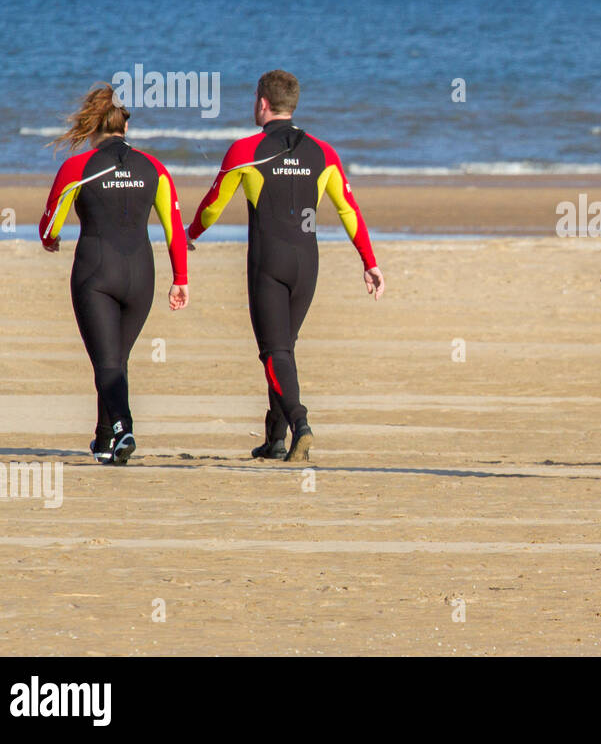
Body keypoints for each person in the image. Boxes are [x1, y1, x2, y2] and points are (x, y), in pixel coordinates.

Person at [186, 70, 384, 462]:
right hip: (307, 265)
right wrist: (370, 261)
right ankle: (274, 439)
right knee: (284, 351)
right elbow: (348, 209)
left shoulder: (244, 151)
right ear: (293, 104)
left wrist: (190, 233)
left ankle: (300, 423)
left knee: (274, 351)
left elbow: (212, 206)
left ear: (262, 103)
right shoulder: (324, 153)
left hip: (269, 263)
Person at [39, 84, 190, 464]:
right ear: (125, 124)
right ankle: (104, 438)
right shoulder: (155, 168)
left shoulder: (77, 167)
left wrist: (50, 239)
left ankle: (123, 428)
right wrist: (181, 279)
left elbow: (49, 226)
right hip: (142, 276)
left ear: (93, 123)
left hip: (97, 275)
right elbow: (174, 227)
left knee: (106, 362)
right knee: (115, 359)